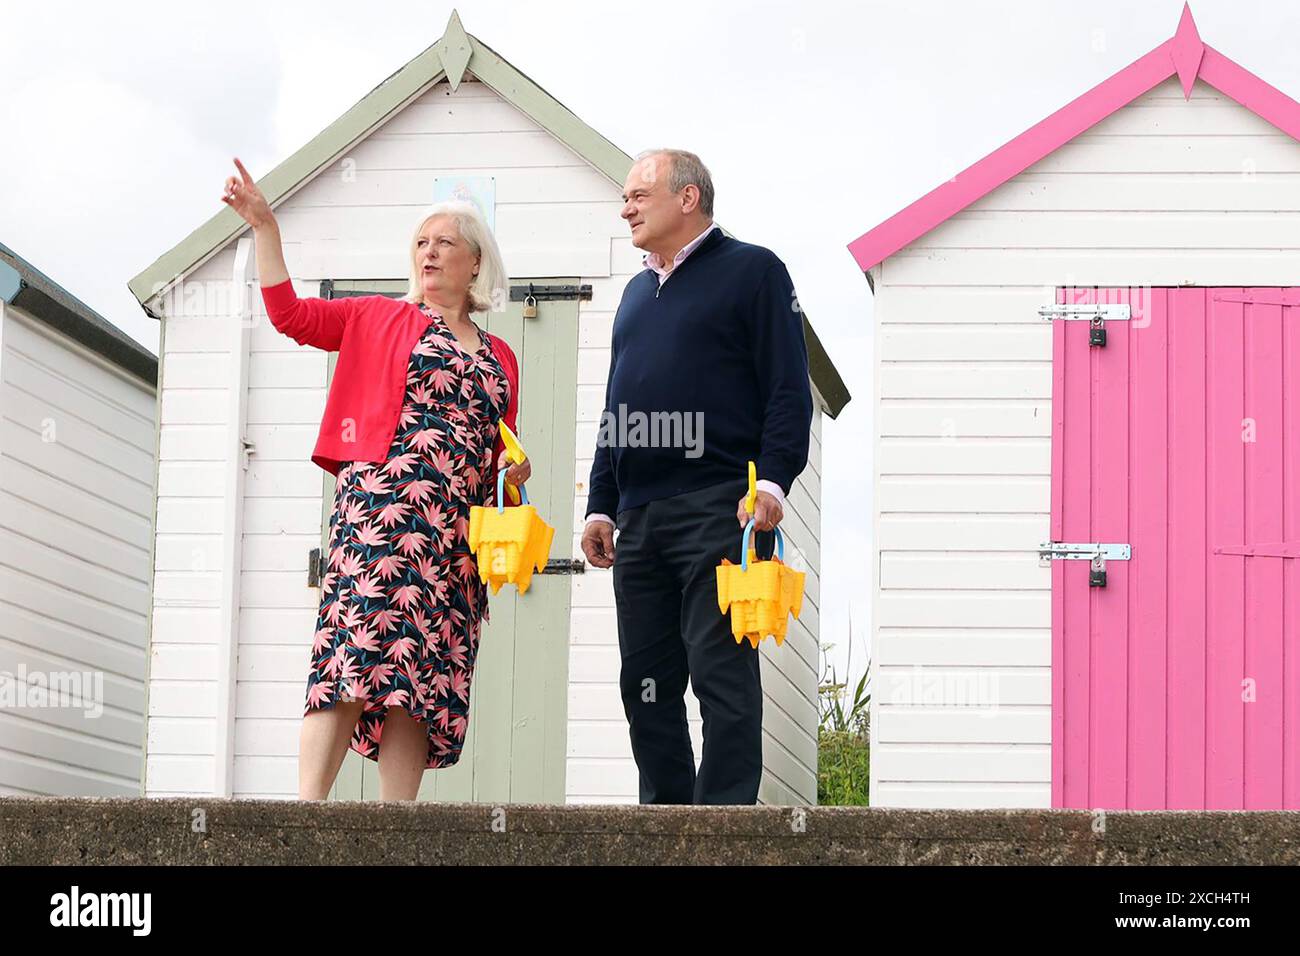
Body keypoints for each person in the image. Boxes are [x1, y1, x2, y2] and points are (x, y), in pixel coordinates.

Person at [221, 157, 530, 801]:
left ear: (476, 262)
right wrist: (266, 230)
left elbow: (501, 453)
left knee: (422, 676)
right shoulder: (375, 316)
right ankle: (307, 814)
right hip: (379, 519)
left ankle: (396, 826)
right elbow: (292, 317)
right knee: (350, 655)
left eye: (445, 242)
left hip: (455, 539)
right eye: (421, 242)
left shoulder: (502, 357)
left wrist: (515, 470)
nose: (430, 251)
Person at [580, 149, 813, 805]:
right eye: (623, 196)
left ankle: (723, 831)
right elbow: (615, 409)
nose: (625, 206)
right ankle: (666, 828)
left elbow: (788, 391)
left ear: (688, 198)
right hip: (640, 519)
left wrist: (770, 484)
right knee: (645, 686)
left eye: (638, 194)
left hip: (723, 510)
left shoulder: (753, 271)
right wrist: (601, 505)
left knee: (721, 677)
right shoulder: (633, 293)